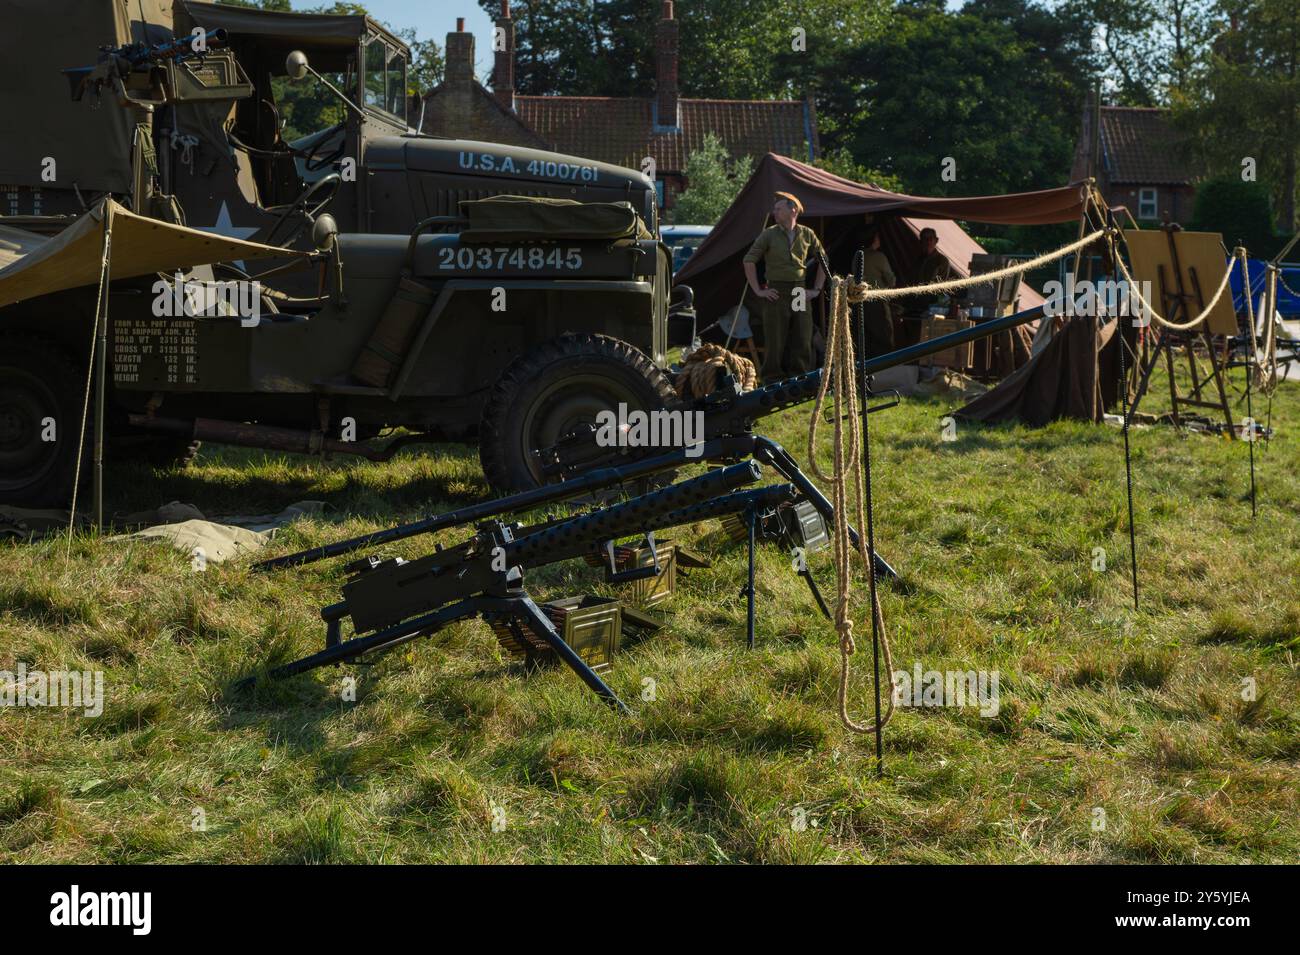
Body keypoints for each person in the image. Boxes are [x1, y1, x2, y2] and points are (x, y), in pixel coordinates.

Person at [742, 192, 827, 382]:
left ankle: (800, 377)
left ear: (793, 210)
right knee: (775, 337)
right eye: (774, 209)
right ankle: (772, 379)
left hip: (799, 291)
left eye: (779, 209)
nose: (774, 212)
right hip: (777, 291)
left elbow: (824, 260)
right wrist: (759, 290)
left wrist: (816, 290)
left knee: (802, 336)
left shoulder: (807, 234)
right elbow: (749, 260)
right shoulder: (769, 234)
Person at [859, 226, 896, 356]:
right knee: (884, 336)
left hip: (860, 303)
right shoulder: (878, 257)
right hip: (877, 303)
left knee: (866, 340)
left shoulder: (857, 256)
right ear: (874, 239)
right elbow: (891, 280)